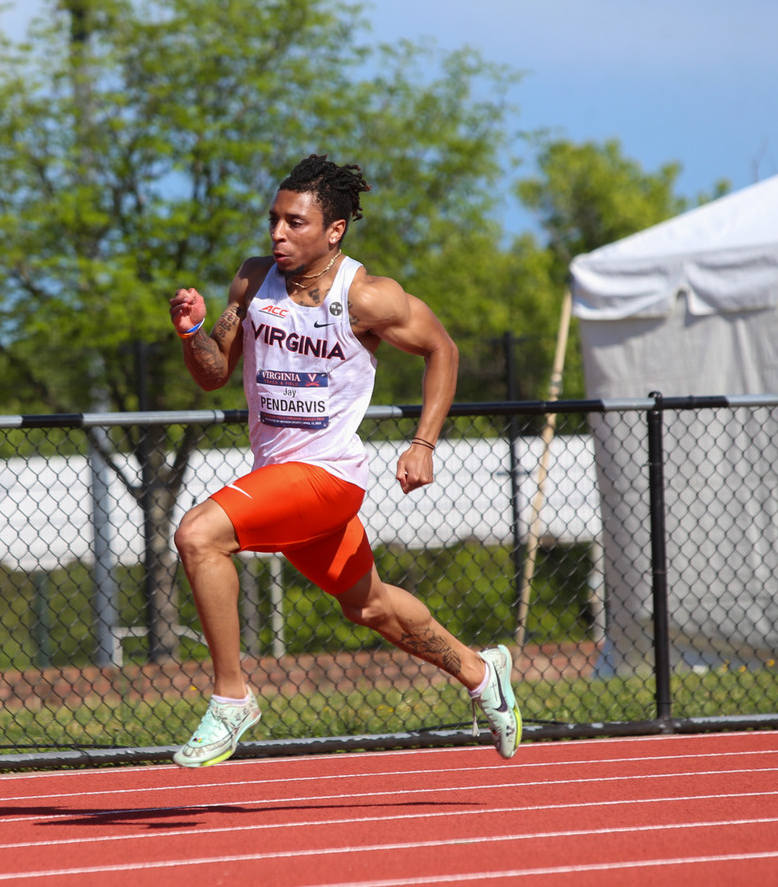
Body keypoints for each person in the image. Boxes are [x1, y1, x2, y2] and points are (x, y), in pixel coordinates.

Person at [166, 153, 521, 768]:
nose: (278, 233)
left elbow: (443, 349)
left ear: (334, 231)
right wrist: (193, 333)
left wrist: (423, 442)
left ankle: (231, 699)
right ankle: (481, 671)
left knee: (198, 535)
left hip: (330, 477)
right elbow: (213, 375)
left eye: (295, 223)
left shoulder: (368, 297)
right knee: (370, 605)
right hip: (278, 479)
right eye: (274, 219)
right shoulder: (252, 282)